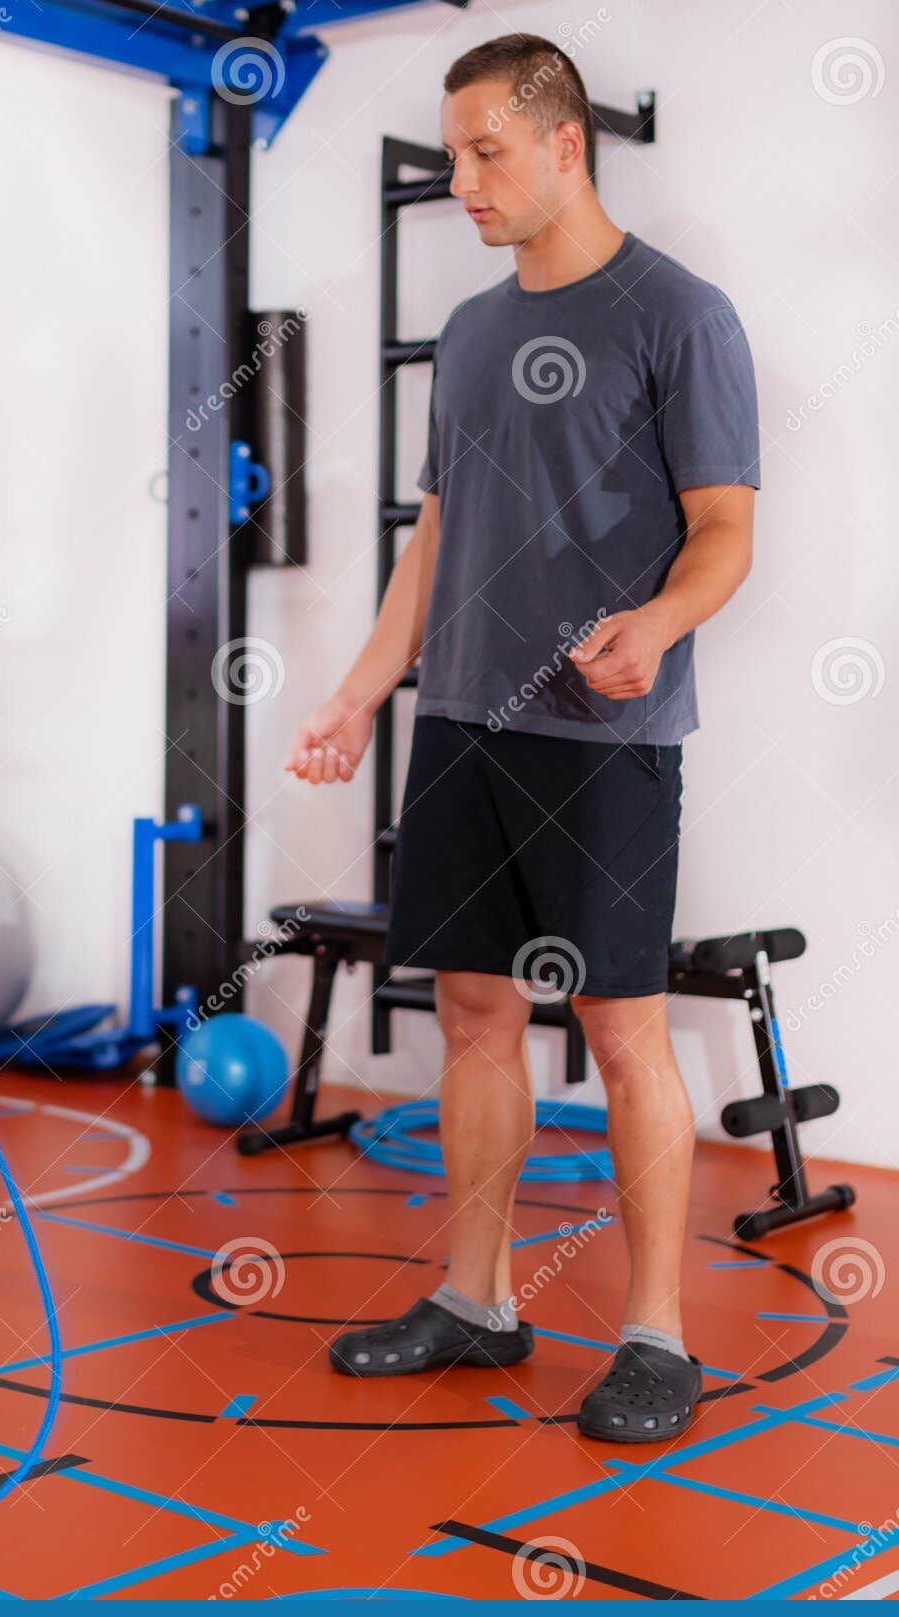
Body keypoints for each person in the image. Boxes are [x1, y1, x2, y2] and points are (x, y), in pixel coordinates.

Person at [286, 34, 759, 1443]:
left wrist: (660, 622)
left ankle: (657, 1335)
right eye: (453, 155)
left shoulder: (683, 314)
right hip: (463, 725)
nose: (464, 181)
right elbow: (435, 537)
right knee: (478, 1020)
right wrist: (365, 685)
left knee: (621, 1032)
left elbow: (728, 531)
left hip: (607, 740)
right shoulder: (476, 335)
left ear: (567, 145)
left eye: (488, 151)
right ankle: (480, 1301)